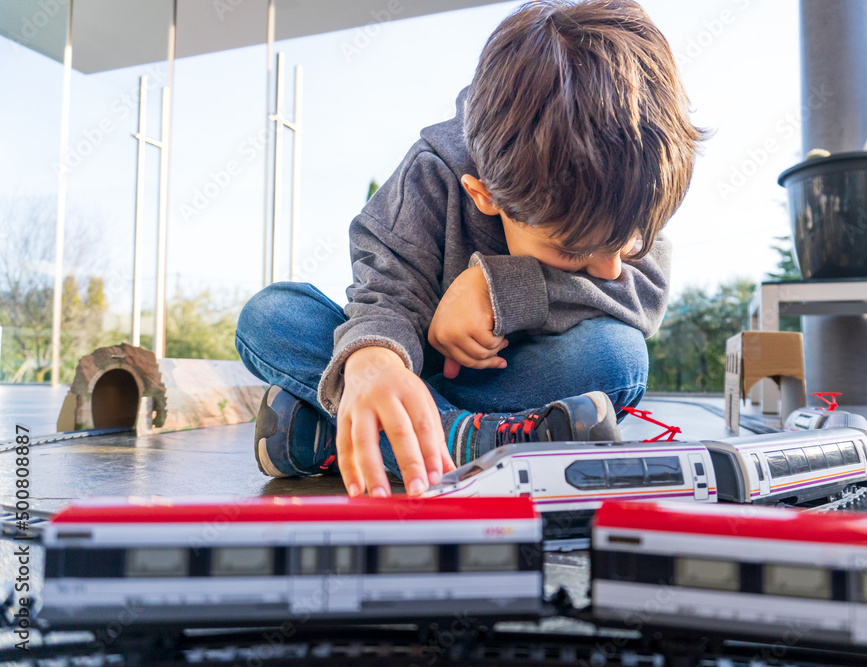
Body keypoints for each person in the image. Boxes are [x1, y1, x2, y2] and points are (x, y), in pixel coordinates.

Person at [235, 0, 704, 500]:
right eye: (574, 252)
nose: (612, 270)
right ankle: (475, 440)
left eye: (629, 242)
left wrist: (499, 285)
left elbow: (643, 296)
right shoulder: (430, 173)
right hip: (416, 369)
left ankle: (335, 435)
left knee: (619, 356)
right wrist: (374, 361)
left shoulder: (628, 184)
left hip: (519, 378)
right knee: (271, 317)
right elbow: (385, 293)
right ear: (485, 194)